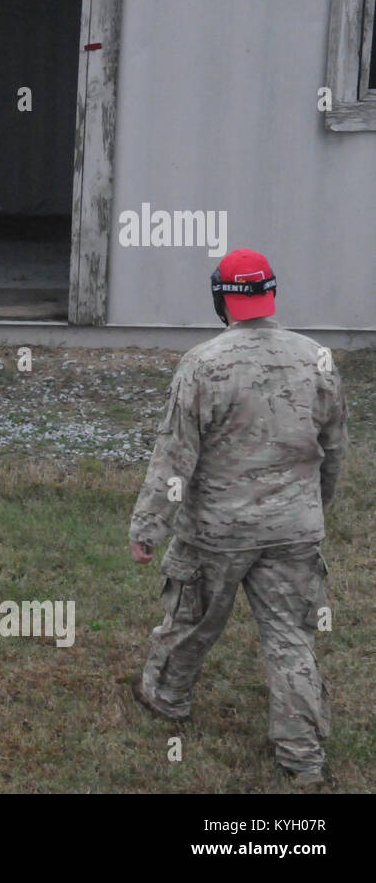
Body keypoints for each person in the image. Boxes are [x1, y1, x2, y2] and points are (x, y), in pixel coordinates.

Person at [128, 248, 347, 787]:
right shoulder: (316, 359)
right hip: (294, 528)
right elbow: (334, 446)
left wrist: (148, 526)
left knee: (190, 623)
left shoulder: (203, 363)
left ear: (221, 298)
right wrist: (317, 502)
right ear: (271, 294)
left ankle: (168, 699)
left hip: (216, 532)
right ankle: (303, 758)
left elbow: (175, 455)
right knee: (293, 640)